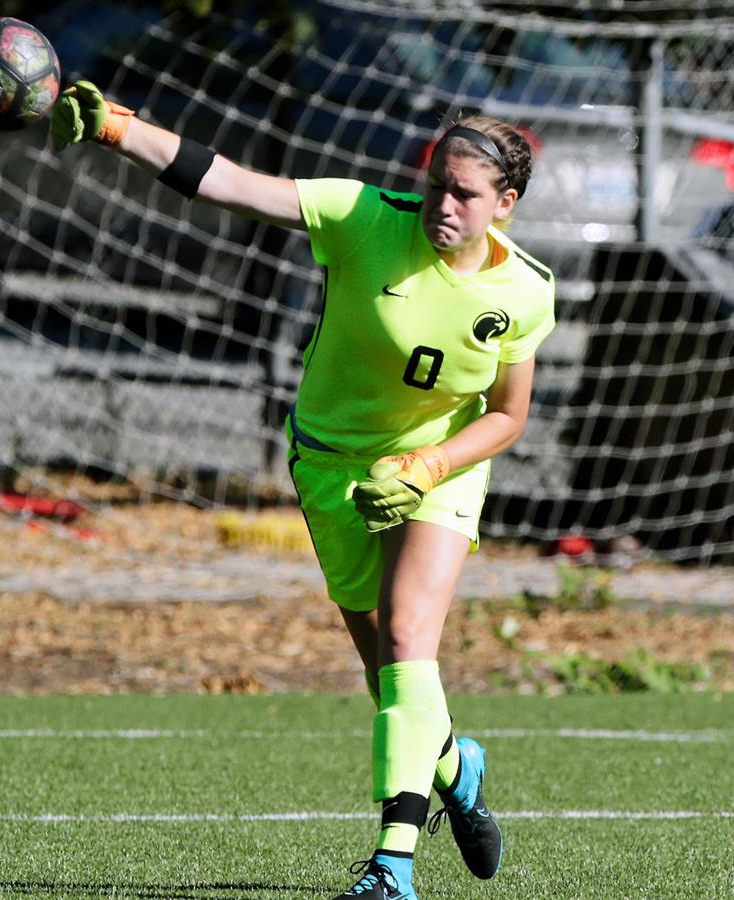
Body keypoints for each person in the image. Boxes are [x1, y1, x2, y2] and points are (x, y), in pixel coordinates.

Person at [52, 80, 553, 900]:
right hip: (329, 463)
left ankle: (392, 866)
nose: (443, 205)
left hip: (438, 469)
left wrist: (428, 468)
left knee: (405, 637)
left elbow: (507, 416)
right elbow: (233, 185)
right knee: (388, 672)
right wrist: (116, 128)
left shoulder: (526, 293)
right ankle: (458, 765)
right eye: (436, 184)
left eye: (464, 194)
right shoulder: (363, 217)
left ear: (506, 204)